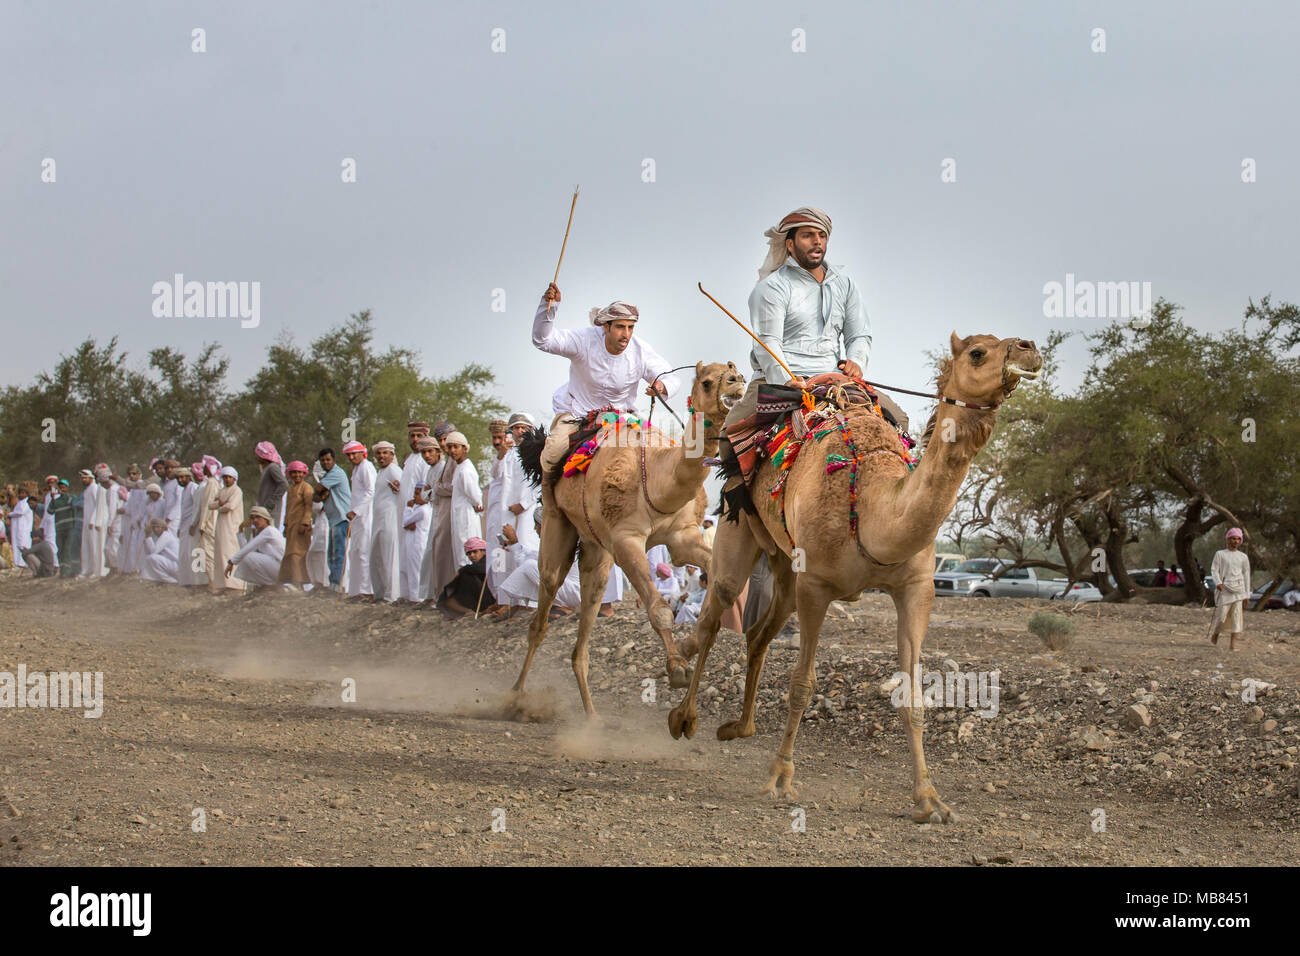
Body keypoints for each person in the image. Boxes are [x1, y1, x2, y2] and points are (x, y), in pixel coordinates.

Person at [531, 282, 677, 479]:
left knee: (662, 446)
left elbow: (670, 377)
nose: (626, 335)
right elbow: (543, 340)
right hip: (577, 414)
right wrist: (548, 308)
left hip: (622, 417)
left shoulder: (640, 351)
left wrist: (661, 385)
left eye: (630, 328)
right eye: (620, 327)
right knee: (552, 453)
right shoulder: (583, 340)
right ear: (606, 326)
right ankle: (548, 504)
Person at [397, 422, 432, 602]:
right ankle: (406, 594)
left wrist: (415, 515)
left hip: (418, 517)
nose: (416, 439)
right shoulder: (409, 459)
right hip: (406, 515)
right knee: (404, 556)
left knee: (417, 558)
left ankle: (418, 597)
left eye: (419, 436)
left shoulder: (424, 461)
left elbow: (425, 491)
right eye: (412, 436)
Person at [422, 422, 457, 603]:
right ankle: (440, 596)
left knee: (449, 556)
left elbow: (455, 487)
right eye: (441, 441)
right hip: (441, 513)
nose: (444, 444)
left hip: (452, 514)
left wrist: (436, 488)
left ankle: (450, 598)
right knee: (439, 555)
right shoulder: (448, 463)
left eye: (446, 439)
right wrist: (435, 489)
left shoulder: (457, 462)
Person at [445, 432, 483, 587]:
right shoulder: (459, 467)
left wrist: (476, 503)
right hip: (459, 516)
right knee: (460, 554)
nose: (453, 450)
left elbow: (474, 495)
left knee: (467, 554)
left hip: (466, 517)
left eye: (456, 447)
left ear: (464, 448)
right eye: (450, 447)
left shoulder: (466, 469)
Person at [342, 440, 376, 601]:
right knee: (354, 552)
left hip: (366, 516)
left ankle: (366, 591)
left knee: (364, 552)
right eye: (349, 455)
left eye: (354, 453)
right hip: (356, 519)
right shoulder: (356, 470)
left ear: (363, 453)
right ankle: (354, 591)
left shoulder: (366, 467)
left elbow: (371, 491)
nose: (352, 457)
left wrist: (356, 511)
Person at [369, 440, 402, 602]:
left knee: (389, 556)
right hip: (378, 518)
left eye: (385, 453)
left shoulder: (394, 470)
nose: (381, 456)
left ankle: (391, 595)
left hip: (390, 518)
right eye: (378, 453)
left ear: (391, 455)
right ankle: (380, 593)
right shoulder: (381, 472)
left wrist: (399, 489)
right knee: (377, 556)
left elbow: (404, 489)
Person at [484, 420, 513, 597]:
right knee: (495, 555)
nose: (496, 442)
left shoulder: (514, 458)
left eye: (500, 438)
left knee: (505, 555)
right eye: (494, 438)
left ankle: (505, 597)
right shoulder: (499, 458)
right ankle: (497, 596)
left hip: (507, 518)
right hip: (494, 518)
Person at [1210, 528, 1251, 651]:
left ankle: (1233, 645)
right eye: (1233, 538)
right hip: (1225, 590)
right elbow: (1214, 570)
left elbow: (1246, 574)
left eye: (1238, 538)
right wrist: (1218, 583)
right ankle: (1216, 633)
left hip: (1238, 591)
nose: (1236, 541)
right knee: (1221, 616)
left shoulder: (1243, 557)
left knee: (1237, 617)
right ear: (1228, 539)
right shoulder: (1220, 554)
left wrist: (1247, 594)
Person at [227, 505, 286, 589]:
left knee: (248, 556)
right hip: (275, 567)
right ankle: (267, 585)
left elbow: (246, 551)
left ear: (265, 518)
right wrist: (241, 530)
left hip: (281, 567)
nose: (255, 520)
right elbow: (244, 549)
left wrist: (231, 562)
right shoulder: (259, 533)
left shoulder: (269, 531)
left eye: (258, 517)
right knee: (247, 557)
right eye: (252, 518)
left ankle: (271, 586)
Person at [316, 448, 351, 590]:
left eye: (328, 459)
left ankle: (337, 584)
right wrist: (320, 493)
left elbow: (318, 489)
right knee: (331, 553)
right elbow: (316, 496)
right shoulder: (327, 475)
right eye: (323, 460)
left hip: (342, 518)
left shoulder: (337, 473)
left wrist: (321, 493)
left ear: (334, 460)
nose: (325, 462)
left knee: (339, 553)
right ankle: (333, 583)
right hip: (333, 519)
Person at [209, 466, 245, 594]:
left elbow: (230, 506)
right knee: (220, 553)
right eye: (225, 477)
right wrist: (221, 504)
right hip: (221, 526)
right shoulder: (222, 490)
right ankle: (223, 584)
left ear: (234, 478)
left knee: (231, 552)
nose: (227, 479)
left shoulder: (237, 491)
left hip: (232, 526)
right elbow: (211, 505)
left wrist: (221, 504)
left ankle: (235, 585)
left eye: (229, 477)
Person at [278, 461, 314, 589]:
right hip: (291, 526)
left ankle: (298, 583)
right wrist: (285, 525)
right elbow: (288, 509)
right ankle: (294, 581)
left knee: (297, 554)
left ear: (304, 474)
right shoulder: (290, 489)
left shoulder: (306, 487)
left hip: (301, 527)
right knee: (290, 554)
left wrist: (304, 523)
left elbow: (309, 507)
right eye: (293, 472)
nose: (296, 475)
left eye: (299, 472)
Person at [438, 537, 494, 616]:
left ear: (484, 551)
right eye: (469, 553)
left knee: (465, 576)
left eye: (475, 552)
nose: (472, 555)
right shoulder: (473, 567)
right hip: (480, 597)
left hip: (489, 598)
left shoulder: (487, 561)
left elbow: (482, 569)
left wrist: (461, 570)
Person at [192, 456, 222, 588]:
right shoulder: (214, 483)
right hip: (212, 521)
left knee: (207, 552)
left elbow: (207, 506)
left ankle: (212, 581)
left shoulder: (211, 483)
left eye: (205, 466)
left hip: (209, 523)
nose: (203, 468)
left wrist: (202, 524)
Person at [78, 468, 108, 578]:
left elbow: (98, 506)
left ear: (91, 478)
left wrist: (93, 520)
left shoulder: (95, 488)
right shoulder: (87, 490)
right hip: (86, 522)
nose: (83, 480)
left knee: (95, 546)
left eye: (85, 477)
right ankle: (86, 569)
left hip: (94, 523)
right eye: (82, 478)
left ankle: (97, 570)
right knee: (86, 547)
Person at [252, 441, 289, 527]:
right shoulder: (266, 469)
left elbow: (284, 484)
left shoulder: (273, 467)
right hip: (263, 511)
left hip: (270, 512)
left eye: (257, 454)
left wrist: (270, 503)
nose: (256, 457)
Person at [307, 461, 331, 590]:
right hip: (320, 523)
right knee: (316, 552)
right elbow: (316, 507)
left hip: (330, 522)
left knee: (327, 552)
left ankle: (328, 584)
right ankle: (318, 583)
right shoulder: (318, 488)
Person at [47, 480, 77, 576]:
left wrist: (65, 494)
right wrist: (52, 498)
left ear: (67, 488)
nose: (62, 489)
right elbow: (50, 511)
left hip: (70, 527)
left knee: (67, 549)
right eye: (60, 488)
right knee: (60, 549)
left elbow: (74, 505)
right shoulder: (56, 501)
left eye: (63, 487)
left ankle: (69, 570)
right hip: (59, 528)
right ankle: (63, 570)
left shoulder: (71, 498)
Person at [140, 517, 180, 584]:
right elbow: (148, 553)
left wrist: (148, 536)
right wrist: (147, 536)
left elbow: (153, 552)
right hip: (170, 564)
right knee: (149, 559)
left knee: (152, 558)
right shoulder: (158, 537)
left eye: (158, 527)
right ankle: (157, 580)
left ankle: (170, 581)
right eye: (153, 527)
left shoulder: (166, 535)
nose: (155, 529)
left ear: (164, 528)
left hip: (175, 565)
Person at [8, 486, 33, 568]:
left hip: (23, 528)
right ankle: (17, 562)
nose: (21, 494)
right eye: (20, 493)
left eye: (23, 493)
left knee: (23, 544)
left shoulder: (27, 502)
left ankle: (24, 562)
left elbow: (20, 512)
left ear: (27, 494)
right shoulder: (20, 502)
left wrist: (9, 514)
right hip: (17, 528)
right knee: (16, 544)